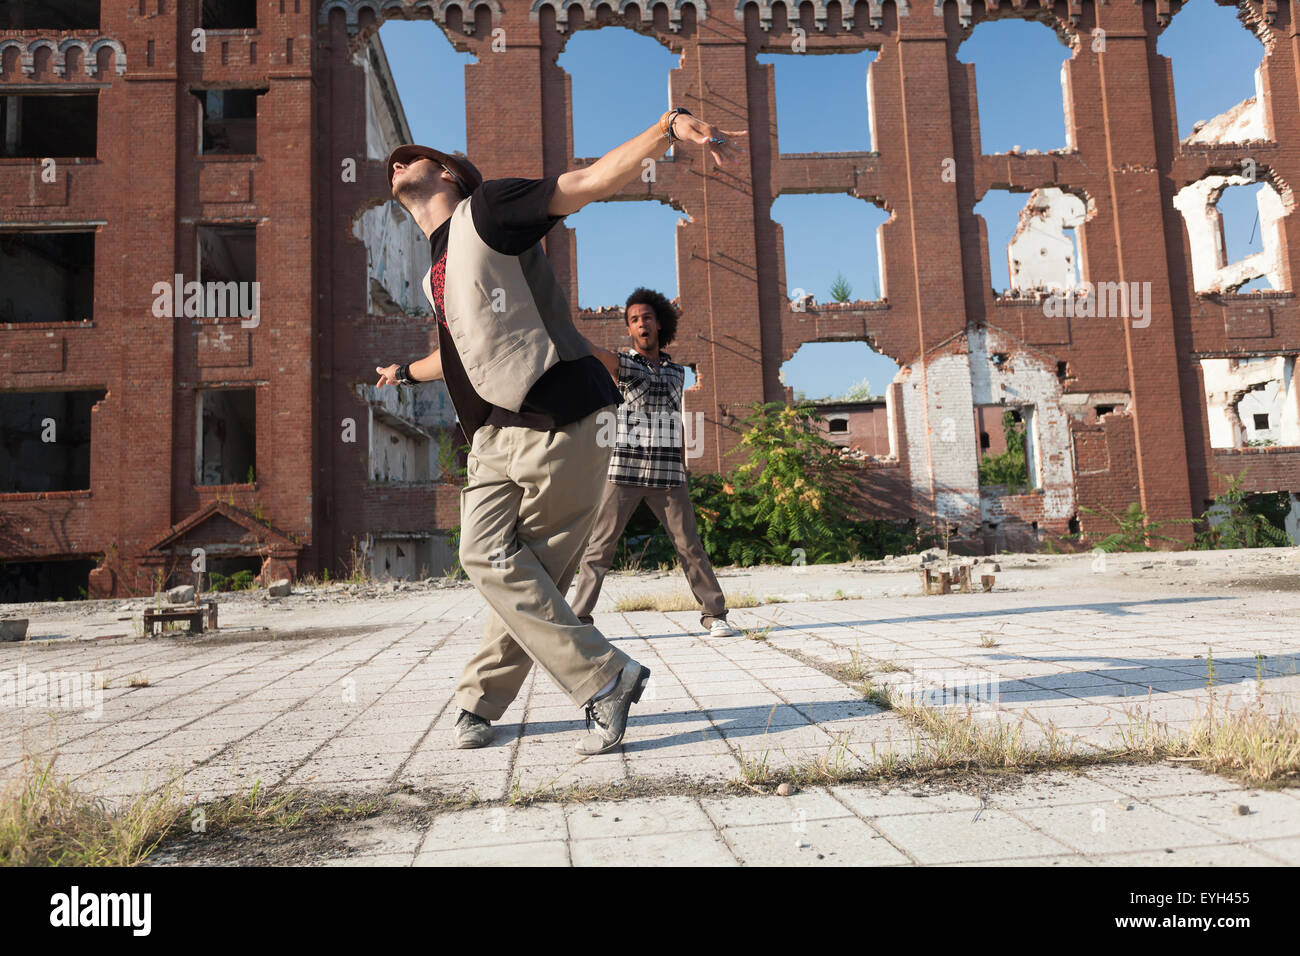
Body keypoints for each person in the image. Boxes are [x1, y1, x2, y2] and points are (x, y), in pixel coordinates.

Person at [373, 110, 746, 755]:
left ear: (448, 172)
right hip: (491, 432)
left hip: (561, 415)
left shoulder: (489, 208)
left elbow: (590, 181)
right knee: (494, 561)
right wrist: (405, 372)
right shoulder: (441, 262)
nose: (396, 161)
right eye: (392, 161)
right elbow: (457, 349)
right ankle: (594, 677)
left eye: (412, 154)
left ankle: (511, 696)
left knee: (526, 567)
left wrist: (666, 128)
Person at [574, 289, 736, 637]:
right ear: (630, 330)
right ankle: (579, 618)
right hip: (625, 469)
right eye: (634, 320)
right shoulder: (625, 363)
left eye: (646, 317)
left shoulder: (678, 373)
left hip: (667, 474)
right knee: (600, 547)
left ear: (659, 323)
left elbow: (677, 419)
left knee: (689, 545)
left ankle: (714, 614)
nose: (641, 324)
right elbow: (592, 351)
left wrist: (683, 464)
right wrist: (556, 322)